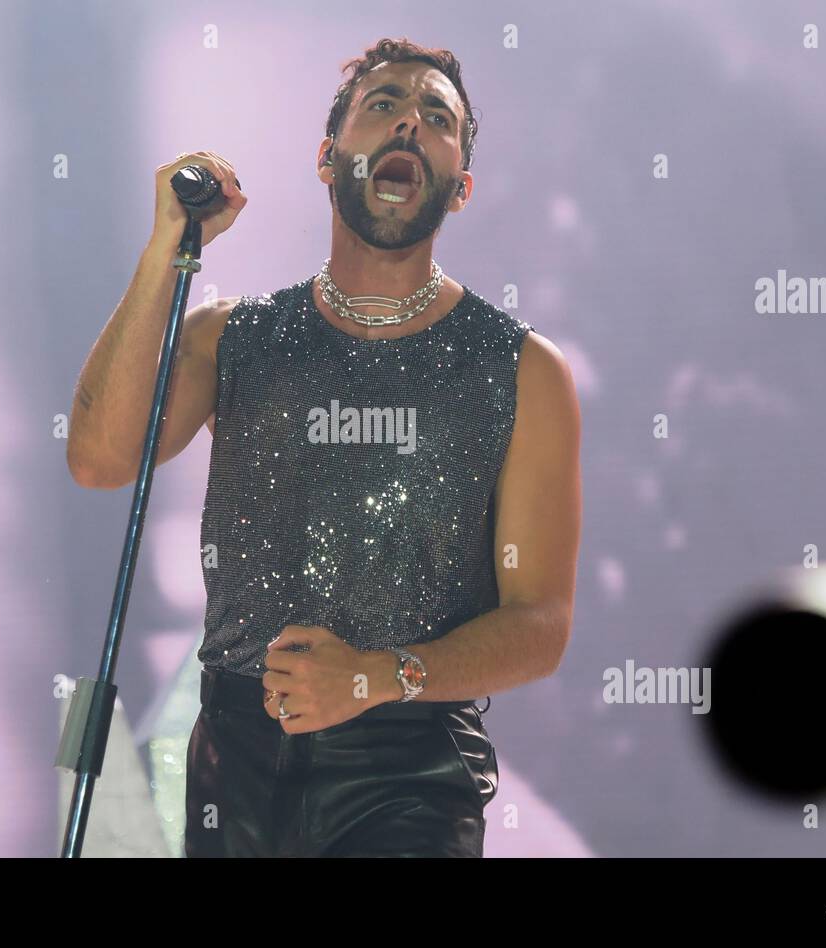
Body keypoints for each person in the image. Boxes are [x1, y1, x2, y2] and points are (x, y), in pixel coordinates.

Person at [67, 37, 582, 857]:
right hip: (231, 765)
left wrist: (378, 677)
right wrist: (168, 247)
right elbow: (97, 457)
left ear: (461, 187)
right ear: (327, 157)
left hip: (408, 774)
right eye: (383, 105)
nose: (409, 122)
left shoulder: (519, 370)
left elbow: (541, 624)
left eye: (436, 117)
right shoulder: (234, 336)